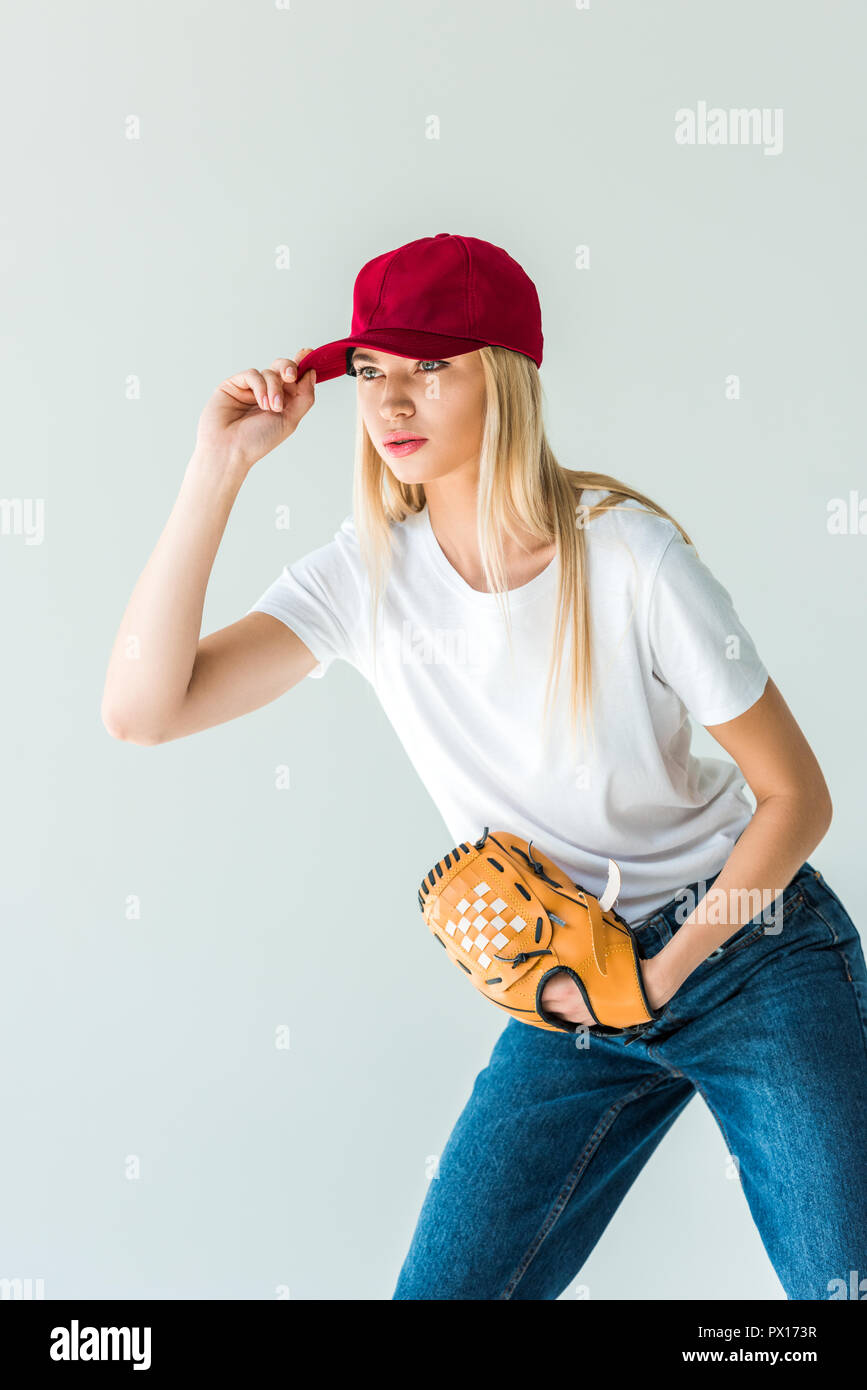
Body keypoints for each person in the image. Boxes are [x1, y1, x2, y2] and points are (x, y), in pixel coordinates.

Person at [101, 233, 867, 1301]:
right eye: (372, 371)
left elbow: (799, 797)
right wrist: (217, 466)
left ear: (503, 378)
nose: (391, 403)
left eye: (430, 368)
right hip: (572, 982)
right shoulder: (365, 577)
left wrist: (659, 977)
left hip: (750, 952)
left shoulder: (632, 558)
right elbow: (143, 710)